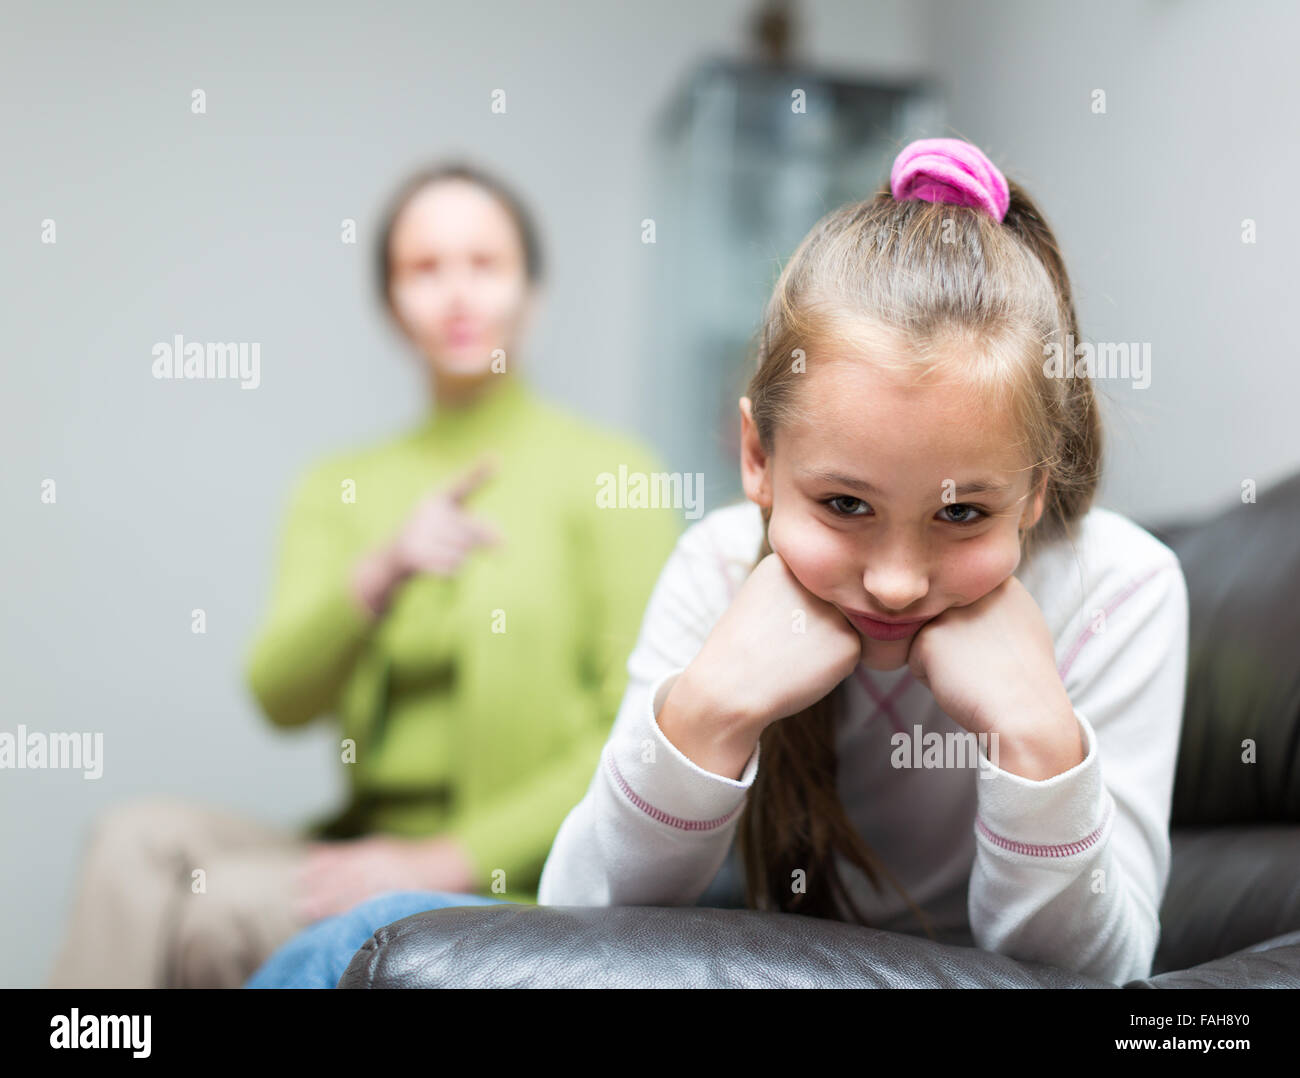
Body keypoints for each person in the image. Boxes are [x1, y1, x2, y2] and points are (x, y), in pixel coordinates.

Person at [538, 137, 1190, 988]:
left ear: (1037, 488)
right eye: (846, 506)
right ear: (758, 459)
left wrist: (1037, 743)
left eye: (961, 513)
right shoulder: (718, 565)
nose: (895, 581)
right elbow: (571, 930)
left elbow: (1105, 975)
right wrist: (707, 716)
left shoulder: (1122, 592)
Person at [46, 161, 680, 989]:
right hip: (359, 840)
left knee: (220, 913)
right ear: (389, 303)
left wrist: (450, 856)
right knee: (132, 838)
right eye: (424, 269)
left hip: (511, 868)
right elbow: (280, 696)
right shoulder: (340, 483)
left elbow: (634, 740)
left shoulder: (611, 473)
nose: (457, 294)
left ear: (532, 290)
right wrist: (377, 575)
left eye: (485, 264)